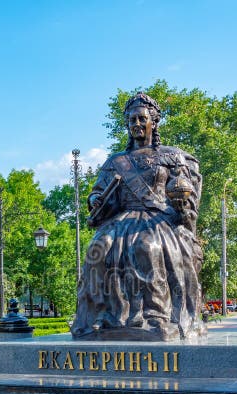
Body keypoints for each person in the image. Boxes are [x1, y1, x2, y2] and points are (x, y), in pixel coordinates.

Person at [70, 92, 205, 341]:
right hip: (122, 221)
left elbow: (185, 191)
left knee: (146, 247)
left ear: (154, 121)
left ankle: (157, 317)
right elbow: (100, 191)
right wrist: (94, 199)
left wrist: (181, 197)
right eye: (132, 120)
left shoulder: (172, 157)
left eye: (142, 119)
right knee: (98, 248)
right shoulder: (116, 161)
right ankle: (103, 317)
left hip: (160, 221)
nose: (137, 125)